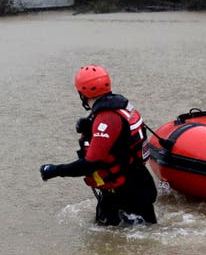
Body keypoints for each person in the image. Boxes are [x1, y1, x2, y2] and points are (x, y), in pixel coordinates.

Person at [39, 65, 158, 225]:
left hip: (124, 195)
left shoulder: (107, 118)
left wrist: (55, 170)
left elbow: (90, 164)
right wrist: (90, 126)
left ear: (82, 93)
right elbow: (120, 141)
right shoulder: (120, 108)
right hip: (137, 184)